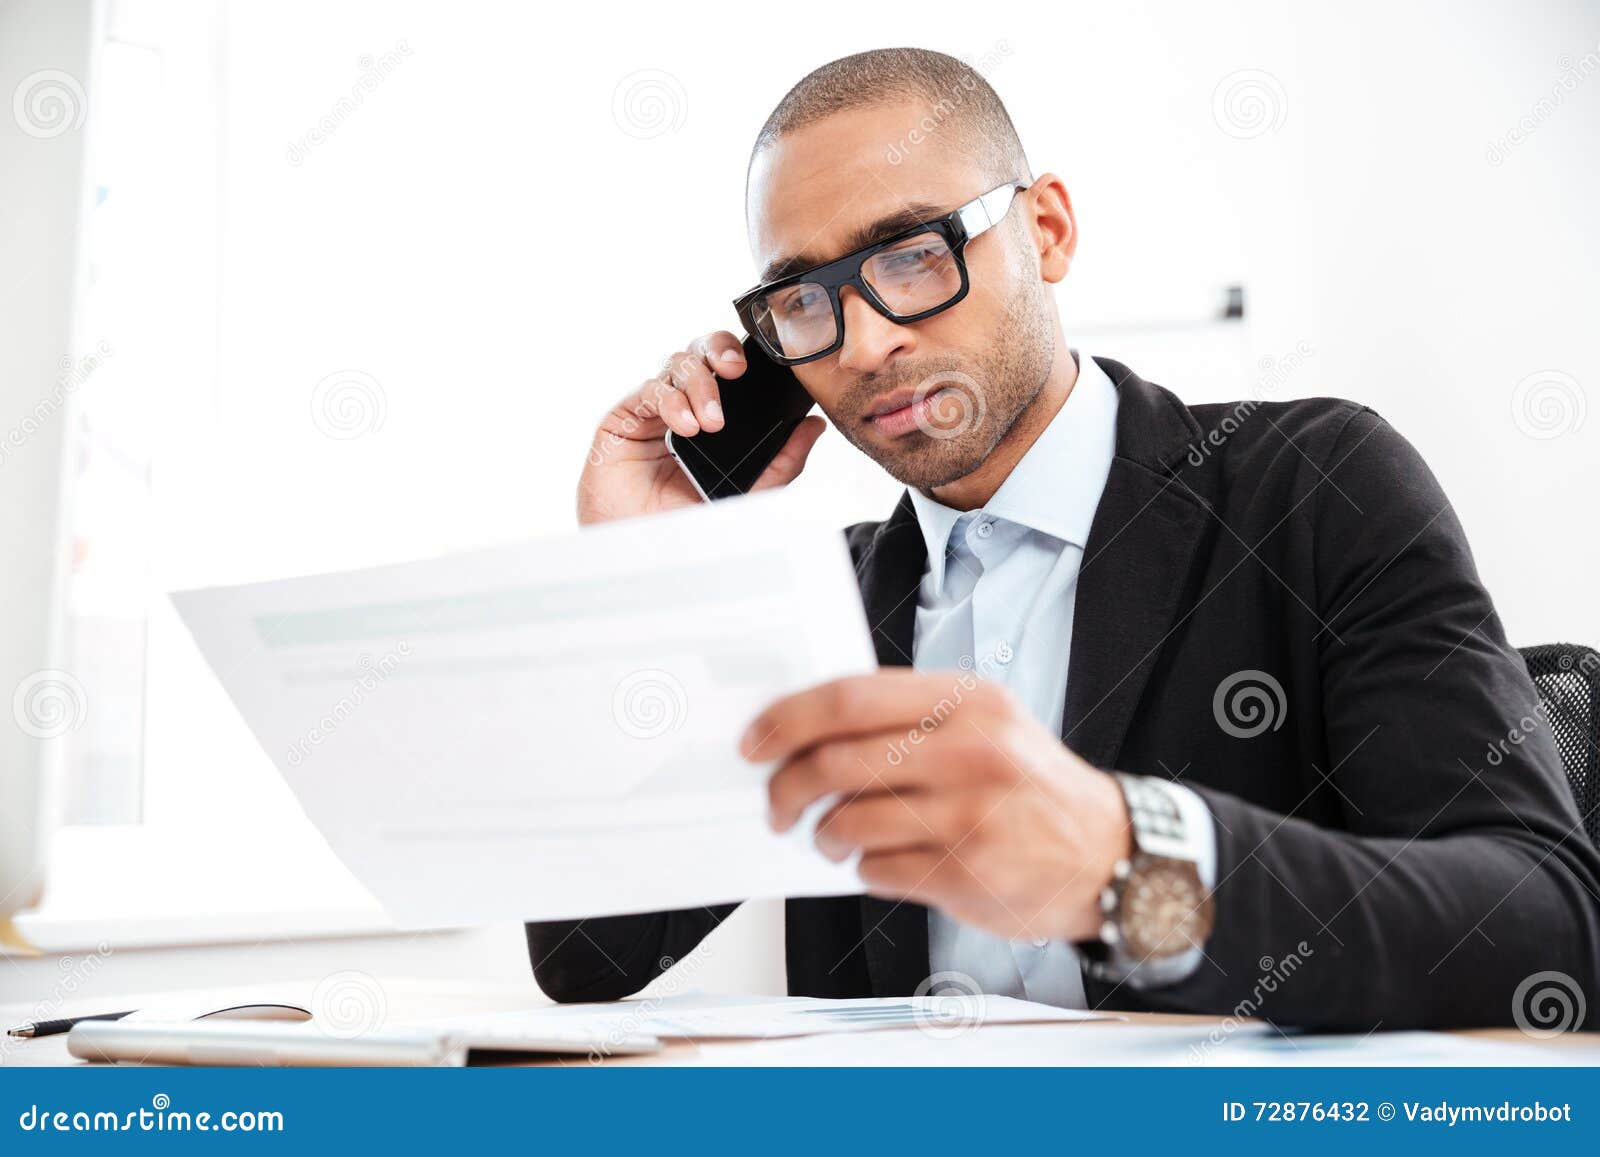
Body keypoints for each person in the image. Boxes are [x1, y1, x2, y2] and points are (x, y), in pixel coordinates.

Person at [526, 47, 1599, 1029]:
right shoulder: (827, 601)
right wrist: (644, 580)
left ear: (1045, 231)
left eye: (908, 254)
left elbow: (1547, 926)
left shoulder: (1310, 486)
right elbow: (583, 955)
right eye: (803, 301)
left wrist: (1128, 863)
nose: (863, 342)